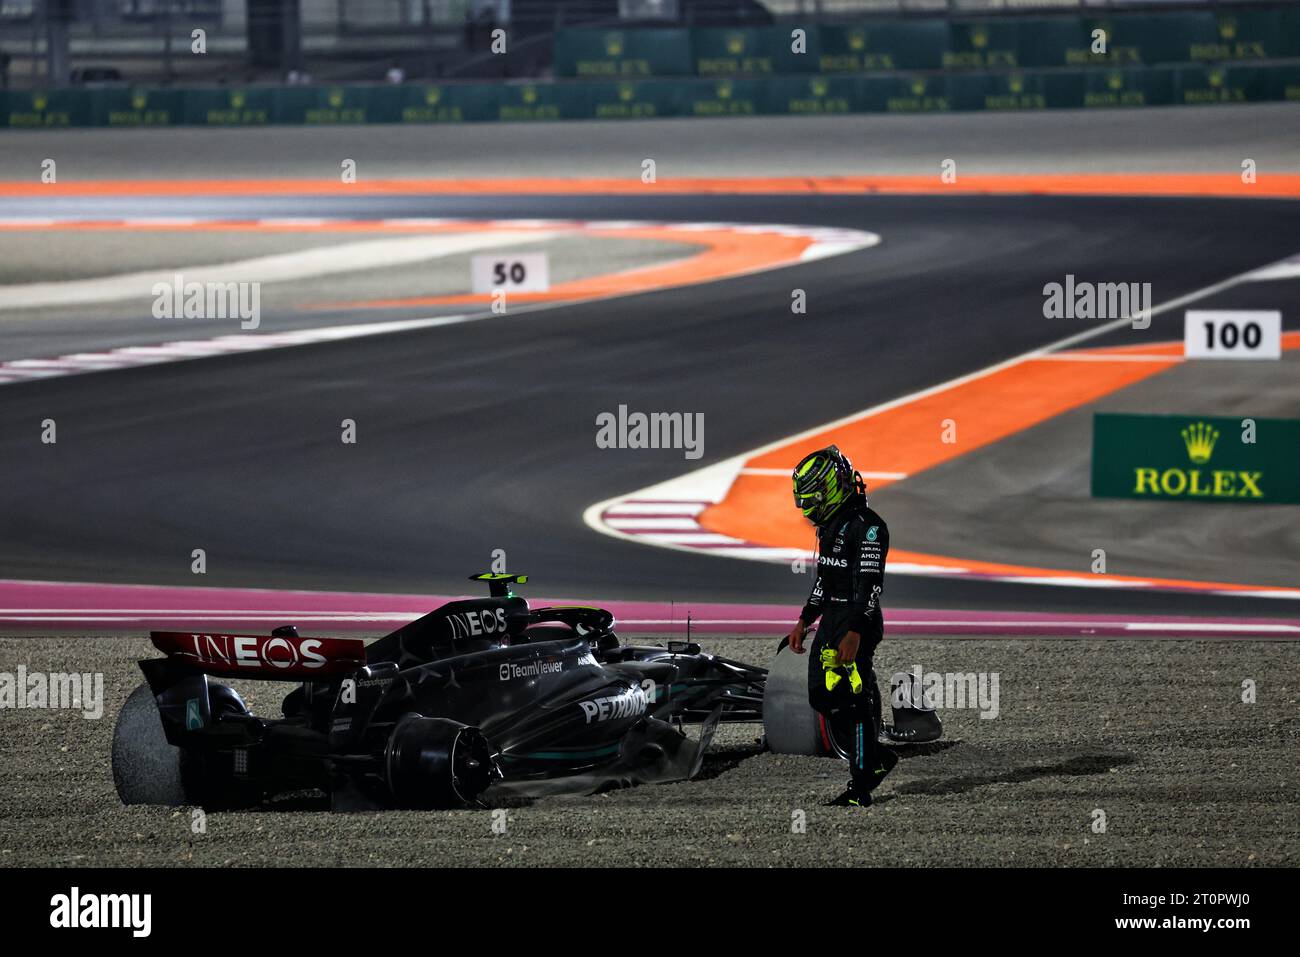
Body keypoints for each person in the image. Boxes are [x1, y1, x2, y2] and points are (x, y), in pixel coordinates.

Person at [787, 445, 898, 807]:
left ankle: (860, 785)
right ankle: (876, 759)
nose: (806, 509)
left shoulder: (869, 528)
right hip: (833, 620)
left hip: (855, 621)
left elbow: (870, 585)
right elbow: (825, 580)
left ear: (830, 489)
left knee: (855, 697)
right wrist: (805, 619)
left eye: (811, 499)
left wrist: (856, 631)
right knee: (821, 695)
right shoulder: (829, 529)